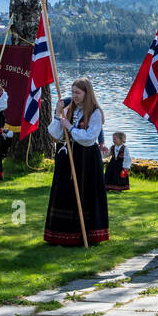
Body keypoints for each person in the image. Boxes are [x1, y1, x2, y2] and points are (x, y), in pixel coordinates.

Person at [43, 76, 110, 246]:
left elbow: (89, 138)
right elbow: (56, 134)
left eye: (78, 93)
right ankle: (61, 234)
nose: (74, 96)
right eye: (73, 92)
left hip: (86, 158)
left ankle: (85, 235)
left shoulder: (95, 112)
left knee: (83, 192)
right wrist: (58, 114)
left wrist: (70, 127)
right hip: (67, 157)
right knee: (65, 192)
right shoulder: (69, 109)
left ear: (87, 93)